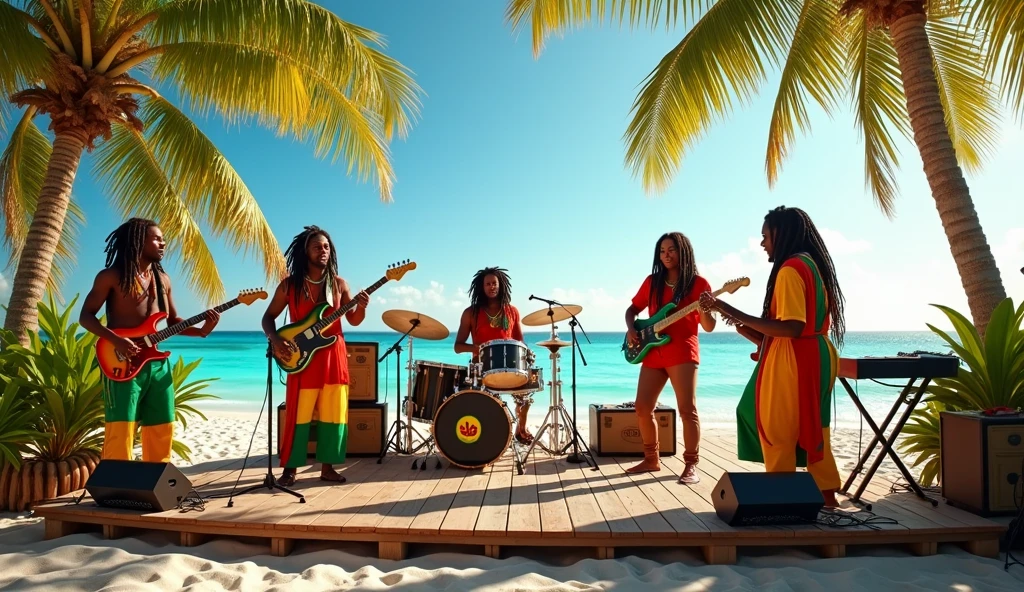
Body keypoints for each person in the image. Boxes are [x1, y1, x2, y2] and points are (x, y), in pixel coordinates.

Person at [699, 206, 844, 507]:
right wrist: (743, 327)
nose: (762, 243)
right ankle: (826, 498)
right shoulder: (813, 265)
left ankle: (786, 499)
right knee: (815, 427)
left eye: (765, 236)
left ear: (781, 234)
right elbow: (793, 329)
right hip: (817, 354)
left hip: (795, 358)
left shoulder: (790, 269)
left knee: (777, 430)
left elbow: (792, 327)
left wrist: (725, 308)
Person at [80, 218, 220, 462]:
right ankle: (117, 484)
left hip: (156, 363)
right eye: (156, 238)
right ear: (137, 242)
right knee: (121, 427)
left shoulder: (162, 280)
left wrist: (202, 330)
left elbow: (173, 320)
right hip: (121, 361)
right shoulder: (111, 276)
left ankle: (156, 480)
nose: (163, 243)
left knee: (162, 423)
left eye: (163, 239)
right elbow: (86, 316)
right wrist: (118, 340)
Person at [262, 225, 369, 486]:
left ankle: (327, 467)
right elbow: (268, 317)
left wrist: (362, 306)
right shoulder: (290, 285)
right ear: (305, 252)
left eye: (326, 247)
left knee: (333, 413)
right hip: (302, 358)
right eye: (317, 246)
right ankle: (290, 470)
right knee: (299, 413)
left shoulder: (339, 284)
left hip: (333, 356)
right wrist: (276, 341)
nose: (323, 251)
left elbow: (354, 320)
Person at [624, 233, 715, 482]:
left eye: (672, 250)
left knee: (687, 410)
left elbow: (708, 326)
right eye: (662, 250)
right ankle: (651, 459)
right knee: (642, 408)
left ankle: (691, 464)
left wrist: (705, 308)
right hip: (653, 351)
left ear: (683, 251)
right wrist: (631, 328)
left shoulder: (699, 284)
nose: (666, 255)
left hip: (683, 352)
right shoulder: (652, 282)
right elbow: (632, 309)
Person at [454, 267, 534, 445]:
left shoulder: (512, 311)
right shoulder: (471, 313)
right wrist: (476, 348)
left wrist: (528, 353)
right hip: (482, 371)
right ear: (481, 287)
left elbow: (520, 342)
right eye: (488, 284)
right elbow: (457, 347)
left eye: (494, 283)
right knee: (481, 406)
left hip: (510, 367)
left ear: (501, 285)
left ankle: (521, 429)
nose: (492, 287)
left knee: (527, 393)